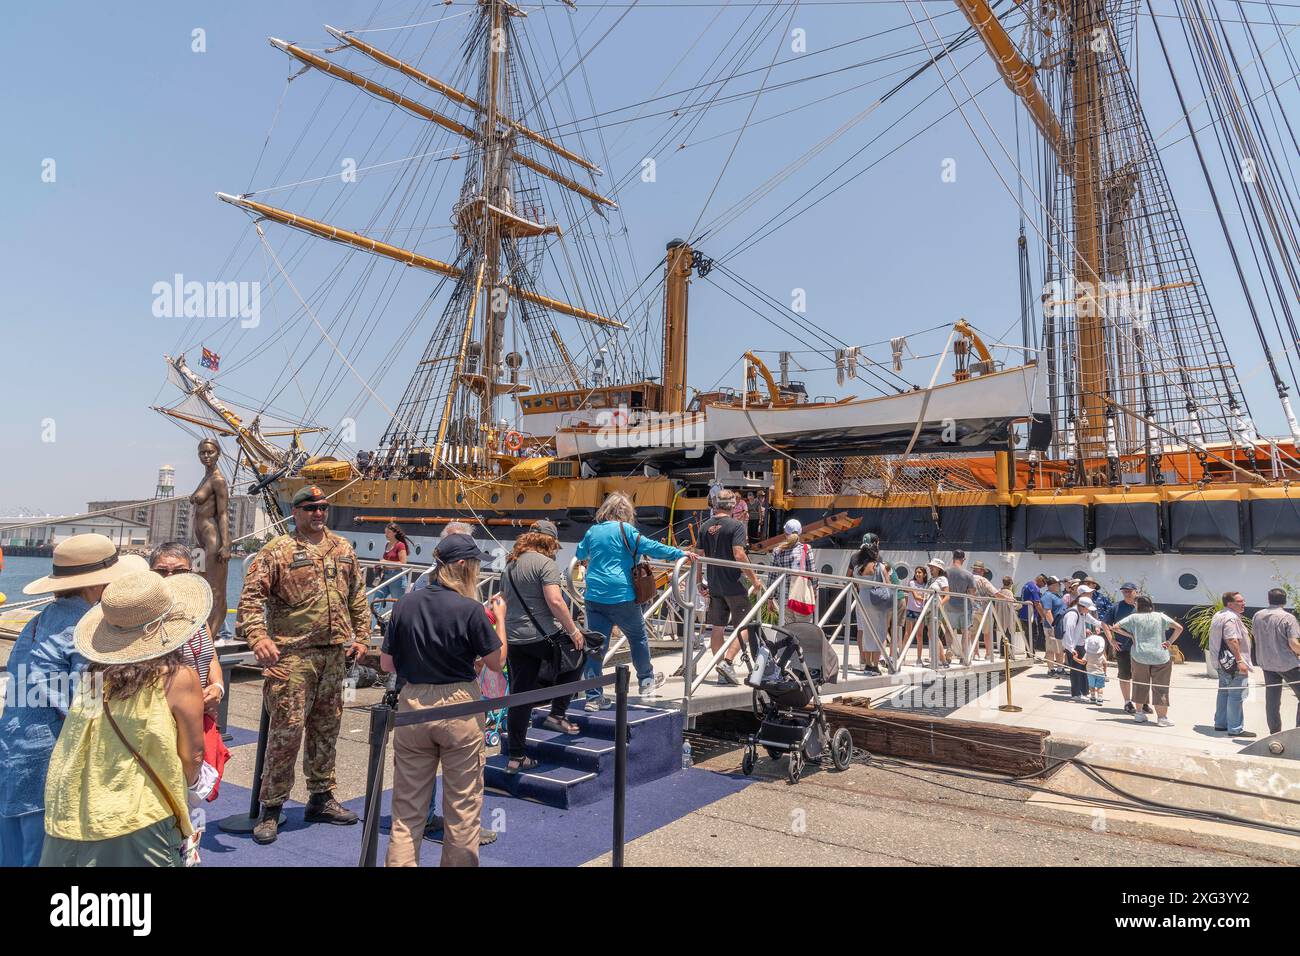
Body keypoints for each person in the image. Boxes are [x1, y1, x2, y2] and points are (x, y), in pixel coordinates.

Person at [41, 570, 207, 867]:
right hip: (139, 817)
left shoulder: (92, 676)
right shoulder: (178, 679)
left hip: (73, 814)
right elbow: (192, 755)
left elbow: (83, 741)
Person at [236, 485, 370, 845]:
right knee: (287, 732)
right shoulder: (277, 551)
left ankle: (321, 797)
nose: (317, 513)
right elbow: (250, 599)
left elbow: (357, 595)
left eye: (323, 508)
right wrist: (258, 637)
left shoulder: (343, 549)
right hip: (292, 658)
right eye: (310, 508)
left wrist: (361, 637)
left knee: (327, 728)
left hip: (334, 656)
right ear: (295, 512)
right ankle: (272, 807)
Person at [0, 535, 145, 867]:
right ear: (98, 586)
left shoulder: (36, 623)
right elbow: (88, 709)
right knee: (44, 857)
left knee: (10, 853)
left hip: (11, 755)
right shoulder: (86, 630)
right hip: (48, 766)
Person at [380, 534, 506, 866]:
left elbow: (386, 664)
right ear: (463, 566)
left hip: (413, 705)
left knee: (407, 813)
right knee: (463, 812)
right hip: (459, 705)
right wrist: (502, 621)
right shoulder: (470, 609)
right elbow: (496, 662)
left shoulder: (406, 602)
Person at [576, 492, 690, 705]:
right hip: (622, 596)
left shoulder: (593, 531)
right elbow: (651, 547)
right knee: (637, 638)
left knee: (596, 646)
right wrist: (680, 553)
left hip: (594, 596)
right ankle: (646, 681)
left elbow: (580, 554)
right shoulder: (625, 530)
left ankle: (593, 697)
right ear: (626, 512)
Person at [501, 520, 586, 773]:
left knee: (519, 696)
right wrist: (573, 630)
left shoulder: (510, 564)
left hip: (515, 639)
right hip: (541, 635)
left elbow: (503, 600)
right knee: (578, 656)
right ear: (550, 542)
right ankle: (557, 714)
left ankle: (516, 757)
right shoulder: (545, 564)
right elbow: (555, 601)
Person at [697, 490, 768, 685]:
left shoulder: (705, 526)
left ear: (714, 504)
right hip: (734, 585)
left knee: (717, 628)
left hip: (714, 583)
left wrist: (698, 582)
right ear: (733, 506)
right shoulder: (736, 526)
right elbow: (739, 554)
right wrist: (754, 579)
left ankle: (721, 670)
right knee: (744, 625)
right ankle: (727, 663)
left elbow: (698, 556)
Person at [149, 542, 225, 715]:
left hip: (202, 711)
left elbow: (211, 658)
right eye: (161, 571)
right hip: (164, 714)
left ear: (190, 572)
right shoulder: (145, 619)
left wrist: (218, 686)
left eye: (179, 571)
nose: (170, 577)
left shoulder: (197, 614)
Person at [1109, 595, 1181, 726]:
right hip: (1160, 655)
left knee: (1140, 684)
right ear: (1151, 605)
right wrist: (1169, 642)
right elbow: (1179, 628)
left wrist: (1131, 635)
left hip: (1139, 655)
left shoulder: (1133, 617)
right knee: (1161, 687)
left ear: (1137, 606)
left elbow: (1114, 627)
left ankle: (1139, 714)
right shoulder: (1160, 616)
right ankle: (1162, 718)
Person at [1251, 588, 1300, 736]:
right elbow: (1293, 643)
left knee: (1272, 700)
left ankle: (1274, 732)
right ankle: (1297, 734)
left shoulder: (1257, 615)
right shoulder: (1288, 618)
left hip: (1266, 663)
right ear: (1285, 600)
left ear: (1269, 599)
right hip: (1288, 663)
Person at [1208, 591, 1255, 738]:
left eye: (1243, 600)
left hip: (1221, 662)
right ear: (1230, 604)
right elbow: (1231, 639)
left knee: (1224, 692)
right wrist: (1240, 661)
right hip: (1233, 663)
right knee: (1236, 695)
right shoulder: (1231, 618)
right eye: (1239, 601)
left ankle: (1221, 723)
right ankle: (1235, 728)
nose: (1243, 603)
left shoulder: (1219, 614)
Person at [849, 545, 890, 675]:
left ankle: (867, 664)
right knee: (880, 632)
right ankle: (875, 665)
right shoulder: (879, 567)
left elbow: (854, 582)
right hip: (876, 599)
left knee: (866, 631)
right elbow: (888, 584)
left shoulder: (857, 568)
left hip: (862, 598)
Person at [1104, 583, 1142, 715]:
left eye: (1129, 591)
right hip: (1123, 647)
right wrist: (1111, 640)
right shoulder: (1116, 607)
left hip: (1142, 649)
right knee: (1125, 675)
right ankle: (1127, 702)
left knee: (1141, 676)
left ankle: (1142, 702)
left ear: (1136, 592)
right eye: (1124, 591)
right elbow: (1105, 623)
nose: (1126, 593)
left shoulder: (1142, 607)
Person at [771, 519, 815, 624]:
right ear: (800, 532)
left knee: (789, 630)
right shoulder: (806, 548)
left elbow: (772, 576)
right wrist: (814, 591)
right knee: (804, 629)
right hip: (801, 597)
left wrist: (770, 598)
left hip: (784, 599)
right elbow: (813, 573)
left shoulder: (777, 551)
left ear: (785, 533)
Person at [1060, 595, 1095, 700]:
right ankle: (1076, 694)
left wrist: (1105, 626)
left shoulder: (1083, 613)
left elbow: (1094, 621)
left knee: (1083, 669)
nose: (1089, 611)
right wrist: (1071, 649)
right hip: (1073, 647)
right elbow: (1068, 632)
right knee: (1076, 671)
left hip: (1081, 645)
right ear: (1083, 606)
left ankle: (1084, 692)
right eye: (1088, 609)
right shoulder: (1072, 614)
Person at [945, 550, 976, 661]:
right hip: (964, 607)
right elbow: (972, 592)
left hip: (948, 605)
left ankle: (949, 648)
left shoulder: (945, 572)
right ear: (963, 559)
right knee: (965, 631)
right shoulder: (968, 574)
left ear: (953, 558)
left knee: (949, 629)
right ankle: (964, 655)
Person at [372, 522, 411, 610]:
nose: (386, 534)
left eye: (388, 532)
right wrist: (380, 565)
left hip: (397, 578)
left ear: (395, 533)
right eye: (385, 532)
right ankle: (377, 622)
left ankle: (395, 623)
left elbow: (403, 563)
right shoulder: (387, 544)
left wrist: (385, 562)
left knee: (398, 606)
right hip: (385, 577)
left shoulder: (400, 545)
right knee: (376, 602)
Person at [1019, 574, 1051, 667]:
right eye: (1044, 583)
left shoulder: (1027, 584)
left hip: (1024, 614)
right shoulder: (1035, 587)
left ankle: (1030, 654)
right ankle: (1030, 655)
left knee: (1029, 634)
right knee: (1033, 634)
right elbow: (1037, 603)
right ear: (1040, 580)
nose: (1044, 585)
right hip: (1029, 615)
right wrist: (1043, 616)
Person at [926, 558, 952, 667]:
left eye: (932, 567)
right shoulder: (932, 579)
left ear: (938, 568)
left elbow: (947, 596)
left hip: (935, 608)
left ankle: (942, 660)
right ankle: (940, 659)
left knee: (933, 634)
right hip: (928, 608)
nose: (930, 568)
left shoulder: (942, 579)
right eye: (930, 567)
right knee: (931, 634)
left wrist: (939, 606)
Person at [904, 566, 930, 667]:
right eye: (916, 572)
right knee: (907, 633)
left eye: (919, 572)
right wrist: (925, 597)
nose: (917, 574)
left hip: (921, 612)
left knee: (919, 636)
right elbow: (915, 596)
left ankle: (919, 659)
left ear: (924, 575)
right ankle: (903, 656)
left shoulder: (926, 585)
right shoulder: (911, 583)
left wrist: (925, 598)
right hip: (911, 610)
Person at [1041, 576, 1067, 677]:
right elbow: (1047, 612)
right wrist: (1053, 626)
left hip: (1059, 626)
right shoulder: (1047, 596)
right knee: (1051, 649)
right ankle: (1051, 670)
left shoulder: (1056, 595)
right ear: (1053, 585)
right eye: (1058, 584)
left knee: (1060, 648)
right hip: (1052, 627)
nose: (1059, 586)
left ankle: (1060, 669)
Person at [1077, 626, 1108, 705]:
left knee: (1092, 686)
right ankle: (1100, 699)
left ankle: (1093, 697)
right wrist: (1104, 673)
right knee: (1100, 687)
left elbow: (1083, 662)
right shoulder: (1101, 655)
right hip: (1100, 673)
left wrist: (1075, 658)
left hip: (1090, 672)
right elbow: (1105, 663)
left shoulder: (1087, 654)